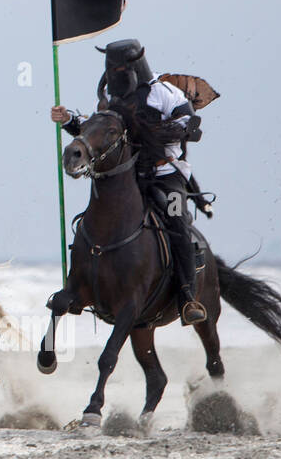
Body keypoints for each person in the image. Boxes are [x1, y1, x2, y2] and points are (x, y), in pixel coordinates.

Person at [50, 38, 208, 325]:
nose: (115, 73)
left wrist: (154, 131)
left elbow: (191, 127)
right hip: (128, 176)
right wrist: (69, 119)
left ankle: (187, 297)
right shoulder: (112, 99)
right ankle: (81, 286)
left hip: (166, 176)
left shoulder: (166, 93)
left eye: (119, 67)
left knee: (177, 222)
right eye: (111, 67)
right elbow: (98, 129)